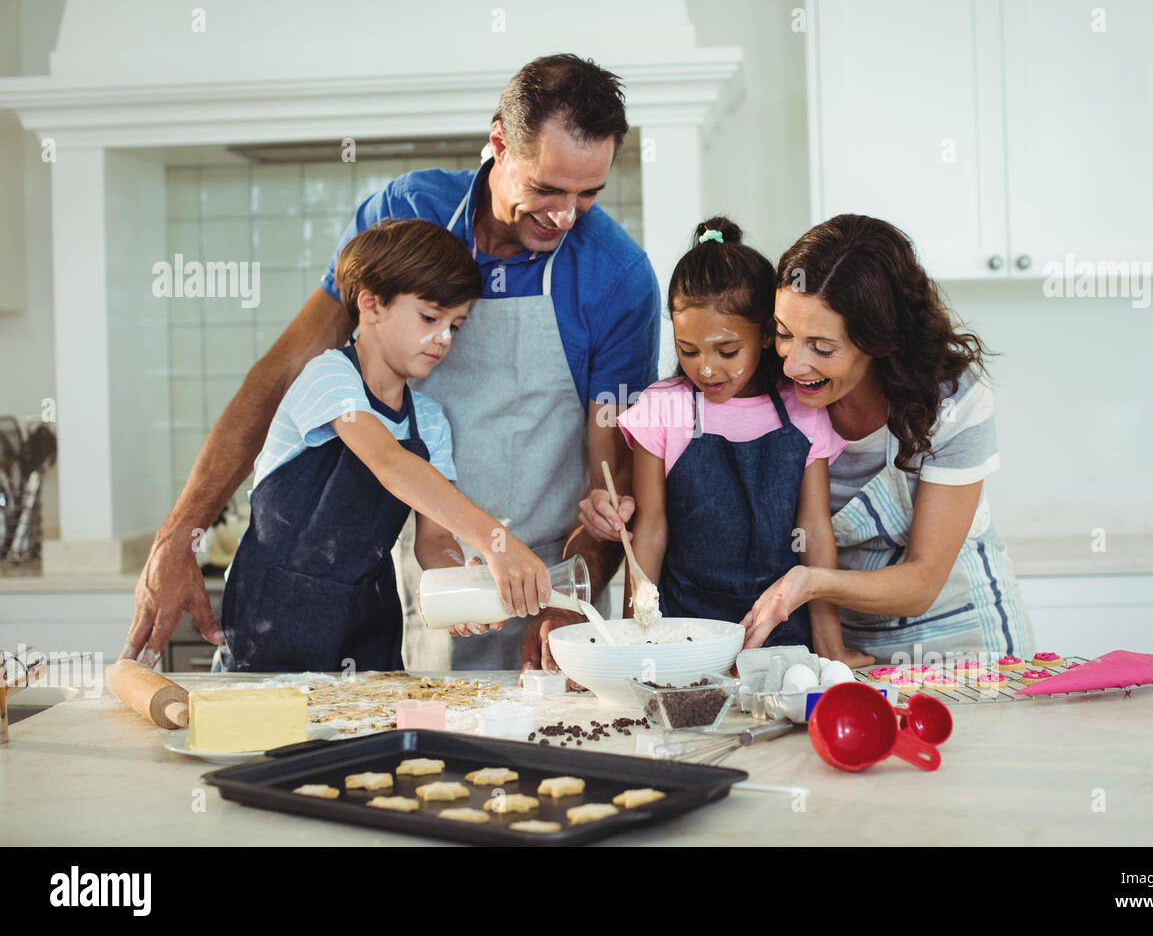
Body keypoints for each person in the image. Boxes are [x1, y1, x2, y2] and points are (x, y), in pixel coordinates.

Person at [123, 54, 659, 672]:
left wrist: (569, 595)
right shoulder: (407, 214)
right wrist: (180, 534)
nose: (565, 217)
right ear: (499, 143)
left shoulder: (618, 277)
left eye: (587, 194)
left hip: (548, 593)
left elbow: (609, 481)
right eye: (545, 189)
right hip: (420, 590)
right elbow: (286, 375)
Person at [218, 219, 550, 672]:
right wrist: (498, 543)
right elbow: (389, 463)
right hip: (270, 629)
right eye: (430, 318)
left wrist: (458, 582)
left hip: (367, 638)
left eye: (456, 325)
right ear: (371, 304)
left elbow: (433, 540)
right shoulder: (328, 377)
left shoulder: (430, 422)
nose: (444, 338)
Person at [740, 215, 1034, 662]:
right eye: (784, 334)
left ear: (879, 342)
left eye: (821, 348)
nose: (793, 365)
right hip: (840, 651)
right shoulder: (771, 398)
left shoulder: (951, 402)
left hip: (964, 644)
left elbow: (921, 583)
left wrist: (813, 582)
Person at [586, 217, 863, 660]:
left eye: (727, 351)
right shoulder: (663, 409)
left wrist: (831, 645)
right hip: (683, 635)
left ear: (769, 336)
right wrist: (632, 640)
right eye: (688, 351)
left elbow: (812, 529)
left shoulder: (803, 411)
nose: (707, 370)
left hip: (782, 636)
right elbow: (651, 530)